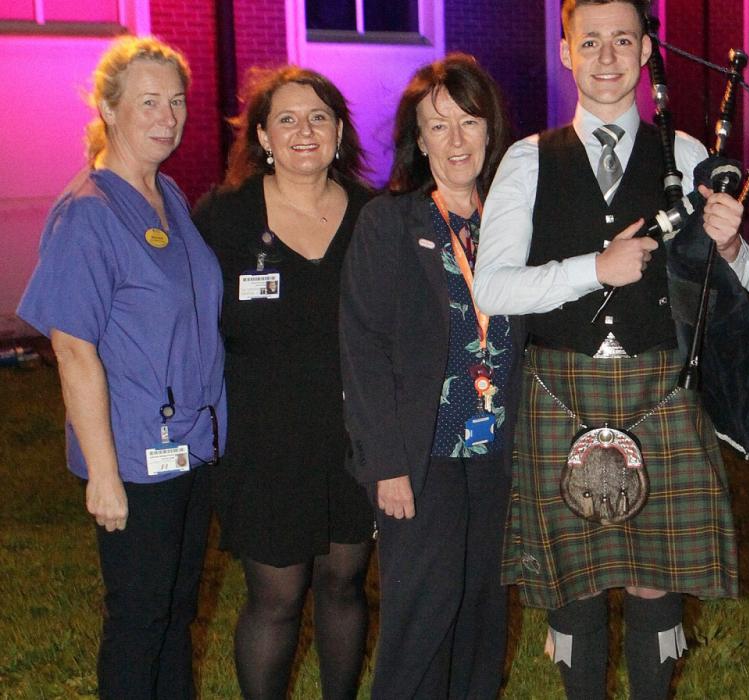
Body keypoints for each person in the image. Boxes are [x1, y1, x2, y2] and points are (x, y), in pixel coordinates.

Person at [473, 1, 749, 696]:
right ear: (565, 51)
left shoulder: (686, 155)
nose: (606, 57)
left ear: (646, 50)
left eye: (622, 40)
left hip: (660, 387)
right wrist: (592, 270)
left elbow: (742, 283)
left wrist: (731, 245)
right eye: (589, 41)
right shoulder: (528, 159)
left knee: (654, 578)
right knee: (574, 583)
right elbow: (494, 288)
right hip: (560, 386)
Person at [17, 36, 224, 699]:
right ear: (108, 108)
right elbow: (73, 349)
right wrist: (103, 474)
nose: (167, 117)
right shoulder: (88, 213)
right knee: (140, 621)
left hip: (190, 450)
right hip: (135, 458)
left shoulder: (169, 196)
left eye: (176, 102)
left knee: (175, 614)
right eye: (147, 103)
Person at [191, 67, 375, 699]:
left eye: (319, 117)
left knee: (344, 585)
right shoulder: (224, 218)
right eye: (288, 118)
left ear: (340, 131)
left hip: (353, 438)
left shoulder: (374, 218)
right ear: (263, 136)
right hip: (263, 440)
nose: (305, 130)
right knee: (275, 597)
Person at [339, 54, 517, 699]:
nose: (457, 140)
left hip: (498, 456)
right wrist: (386, 464)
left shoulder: (513, 223)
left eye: (468, 121)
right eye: (437, 126)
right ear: (418, 139)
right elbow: (362, 348)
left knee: (483, 610)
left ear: (490, 130)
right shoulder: (390, 223)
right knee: (421, 615)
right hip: (423, 458)